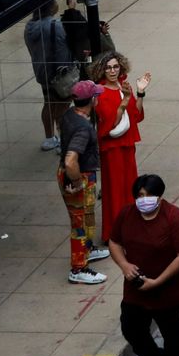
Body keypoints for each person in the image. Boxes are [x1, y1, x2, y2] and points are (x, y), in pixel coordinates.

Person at [109, 174, 179, 356]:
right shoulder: (127, 214)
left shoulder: (175, 218)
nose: (144, 200)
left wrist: (157, 281)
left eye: (148, 195)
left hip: (169, 291)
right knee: (131, 329)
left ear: (159, 196)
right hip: (136, 289)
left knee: (172, 334)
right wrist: (124, 265)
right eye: (140, 196)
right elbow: (114, 242)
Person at [90, 50, 149, 254]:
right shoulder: (99, 92)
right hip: (112, 148)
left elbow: (136, 114)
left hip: (126, 145)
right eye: (108, 67)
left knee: (130, 187)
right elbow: (109, 124)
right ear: (102, 70)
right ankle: (114, 235)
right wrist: (123, 103)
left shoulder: (124, 86)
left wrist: (139, 93)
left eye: (115, 66)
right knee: (114, 190)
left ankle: (130, 230)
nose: (113, 71)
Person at [58, 78, 110, 284]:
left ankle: (88, 249)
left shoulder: (69, 115)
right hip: (79, 176)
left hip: (76, 174)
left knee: (87, 215)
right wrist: (78, 182)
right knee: (79, 223)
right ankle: (79, 268)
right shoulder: (83, 128)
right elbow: (71, 160)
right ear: (92, 101)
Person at [25, 0, 72, 151]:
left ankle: (49, 138)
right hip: (60, 73)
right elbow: (65, 46)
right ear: (51, 7)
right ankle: (64, 142)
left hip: (42, 72)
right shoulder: (55, 25)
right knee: (63, 106)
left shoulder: (29, 27)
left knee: (49, 104)